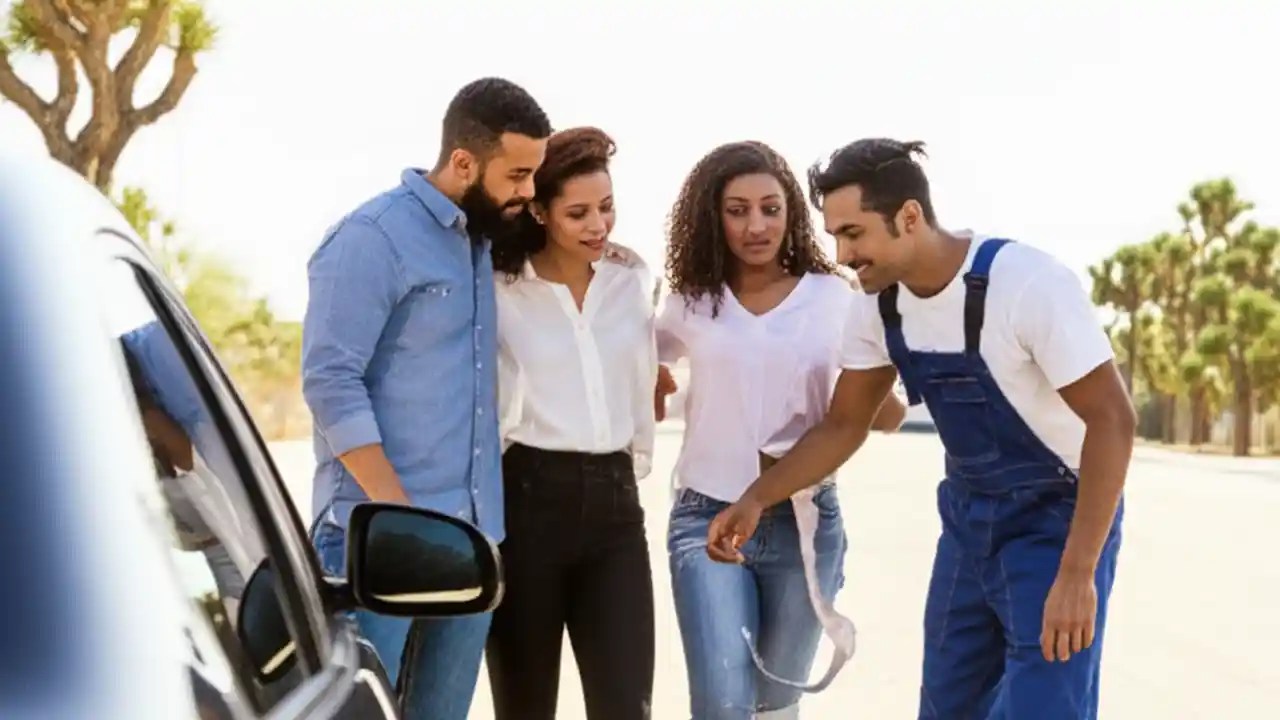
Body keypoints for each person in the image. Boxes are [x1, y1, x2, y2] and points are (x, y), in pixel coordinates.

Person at [707, 139, 1136, 719]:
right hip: (967, 524)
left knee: (1045, 707)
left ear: (909, 217)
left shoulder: (1025, 284)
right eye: (835, 234)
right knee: (946, 707)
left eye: (853, 233)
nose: (843, 252)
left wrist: (1078, 572)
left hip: (1057, 523)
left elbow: (1112, 420)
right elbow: (843, 425)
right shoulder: (877, 306)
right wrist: (757, 498)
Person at [301, 77, 551, 720]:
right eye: (518, 174)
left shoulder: (480, 241)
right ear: (464, 162)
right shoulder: (371, 237)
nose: (529, 191)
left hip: (469, 542)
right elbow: (330, 379)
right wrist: (399, 516)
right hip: (378, 540)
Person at [654, 140, 907, 720]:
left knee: (775, 708)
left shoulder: (833, 298)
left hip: (806, 523)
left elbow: (876, 409)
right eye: (737, 210)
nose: (756, 225)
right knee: (723, 705)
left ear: (792, 211)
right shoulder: (690, 304)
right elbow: (636, 360)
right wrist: (650, 382)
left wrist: (891, 389)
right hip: (707, 518)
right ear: (712, 218)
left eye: (770, 208)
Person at [485, 126, 657, 720]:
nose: (599, 225)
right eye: (578, 212)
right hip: (528, 504)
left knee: (625, 705)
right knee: (525, 706)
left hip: (616, 506)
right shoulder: (500, 288)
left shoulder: (631, 281)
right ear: (538, 210)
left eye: (606, 207)